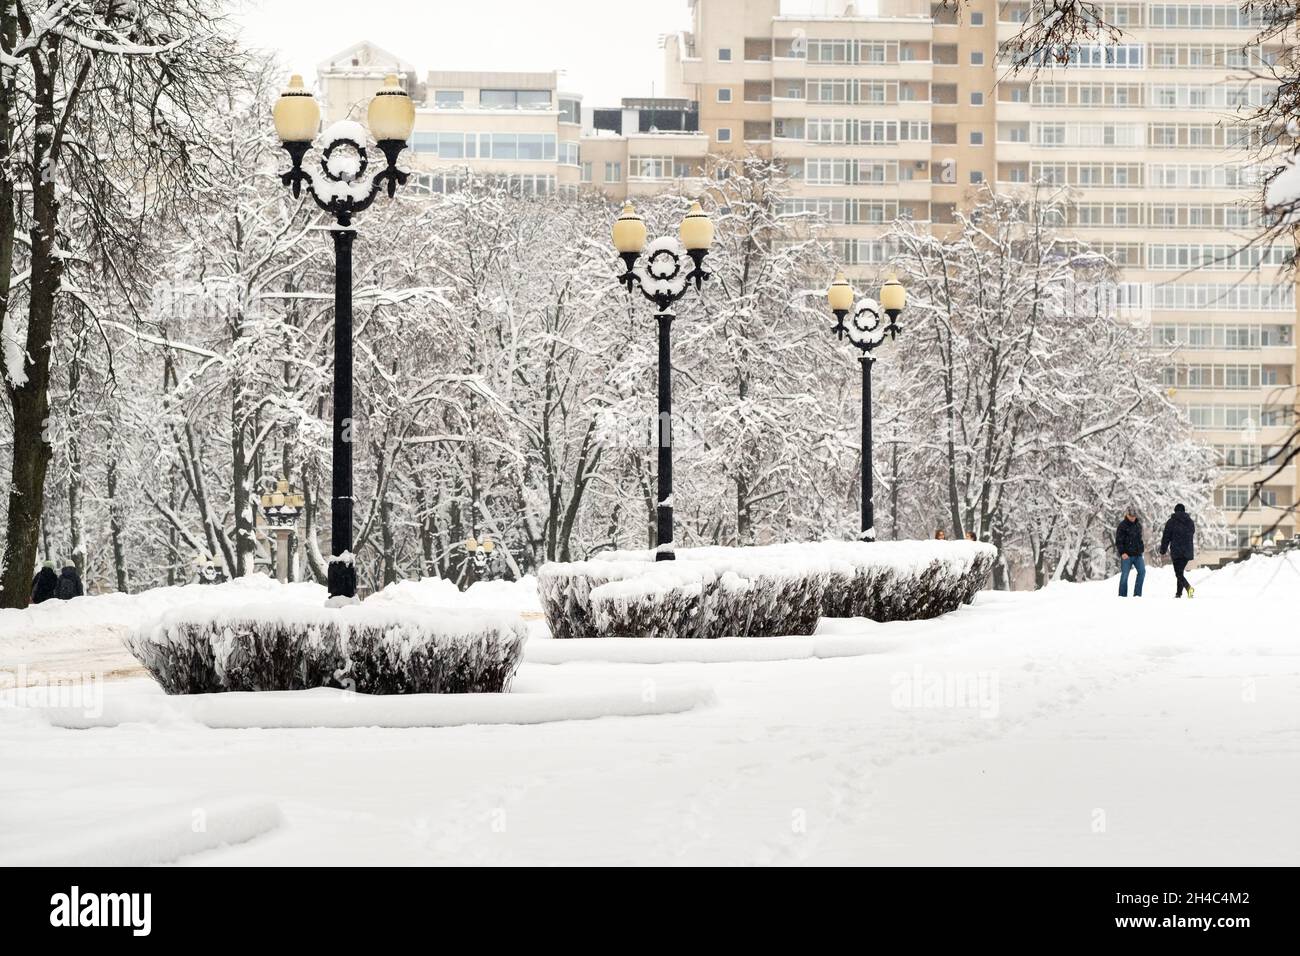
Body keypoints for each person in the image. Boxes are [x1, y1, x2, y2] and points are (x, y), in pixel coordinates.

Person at [1160, 503, 1197, 598]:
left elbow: (1166, 537)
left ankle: (1188, 588)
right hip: (1187, 551)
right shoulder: (1190, 522)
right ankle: (1178, 593)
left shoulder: (1171, 522)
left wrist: (1163, 550)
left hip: (1176, 551)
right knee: (1180, 572)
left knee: (1178, 573)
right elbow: (1192, 533)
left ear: (1175, 511)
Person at [1115, 508, 1146, 597]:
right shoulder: (1122, 526)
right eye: (1131, 516)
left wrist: (1141, 549)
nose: (1132, 518)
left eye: (1134, 516)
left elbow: (1140, 539)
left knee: (1142, 572)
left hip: (1137, 555)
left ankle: (1137, 594)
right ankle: (1122, 596)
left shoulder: (1138, 525)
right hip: (1126, 555)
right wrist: (1122, 552)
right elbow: (1118, 541)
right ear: (1127, 515)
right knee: (1125, 575)